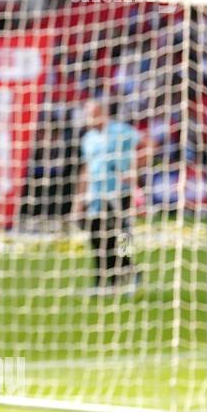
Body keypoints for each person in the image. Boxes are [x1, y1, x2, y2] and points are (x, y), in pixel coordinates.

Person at [72, 98, 151, 295]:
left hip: (120, 192)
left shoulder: (120, 131)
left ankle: (131, 271)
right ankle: (104, 281)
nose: (89, 117)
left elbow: (149, 144)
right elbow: (87, 169)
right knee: (97, 237)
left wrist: (134, 169)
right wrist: (79, 200)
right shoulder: (88, 138)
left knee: (123, 235)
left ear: (102, 112)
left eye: (93, 113)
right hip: (96, 194)